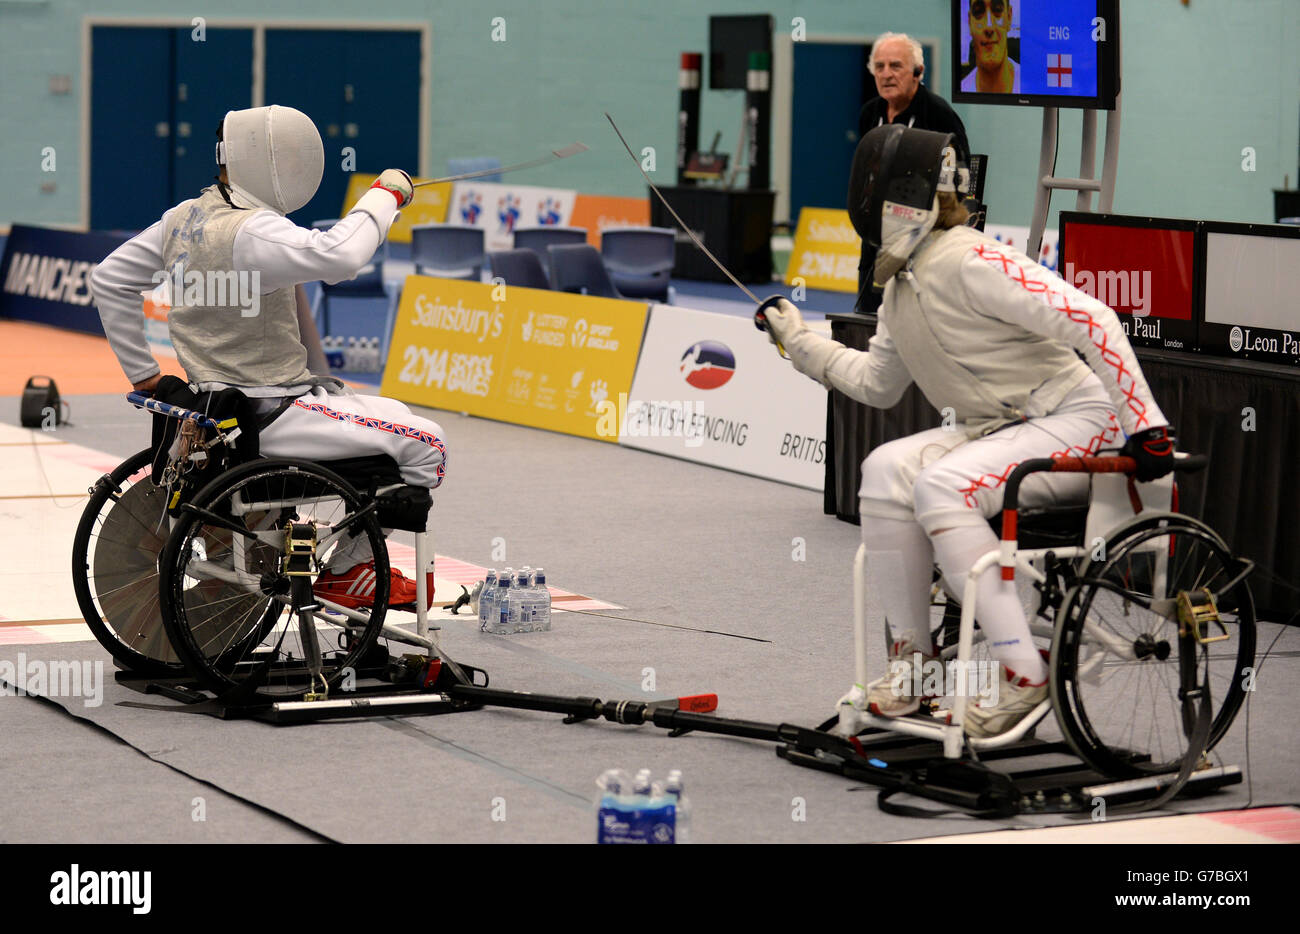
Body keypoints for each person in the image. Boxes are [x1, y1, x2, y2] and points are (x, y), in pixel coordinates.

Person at [759, 125, 1176, 737]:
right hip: (1002, 431)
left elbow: (1096, 319)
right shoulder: (900, 287)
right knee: (882, 469)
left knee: (941, 486)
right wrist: (798, 343)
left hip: (1080, 423)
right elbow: (878, 383)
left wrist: (1147, 427)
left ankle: (1024, 674)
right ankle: (914, 664)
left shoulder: (977, 258)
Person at [91, 104, 445, 611]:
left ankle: (354, 562)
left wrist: (145, 376)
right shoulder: (254, 231)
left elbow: (108, 278)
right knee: (429, 443)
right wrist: (384, 197)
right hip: (268, 412)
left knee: (399, 417)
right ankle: (349, 568)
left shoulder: (182, 221)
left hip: (212, 413)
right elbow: (340, 258)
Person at [855, 33, 969, 314]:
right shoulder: (870, 113)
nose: (886, 74)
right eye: (879, 67)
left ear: (918, 72)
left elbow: (962, 178)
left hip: (924, 239)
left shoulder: (939, 114)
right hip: (876, 237)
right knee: (869, 319)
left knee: (914, 320)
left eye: (895, 66)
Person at [961, 0, 1020, 94]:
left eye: (997, 10)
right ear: (969, 22)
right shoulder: (964, 89)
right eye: (978, 11)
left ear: (1009, 17)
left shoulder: (1033, 86)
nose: (989, 26)